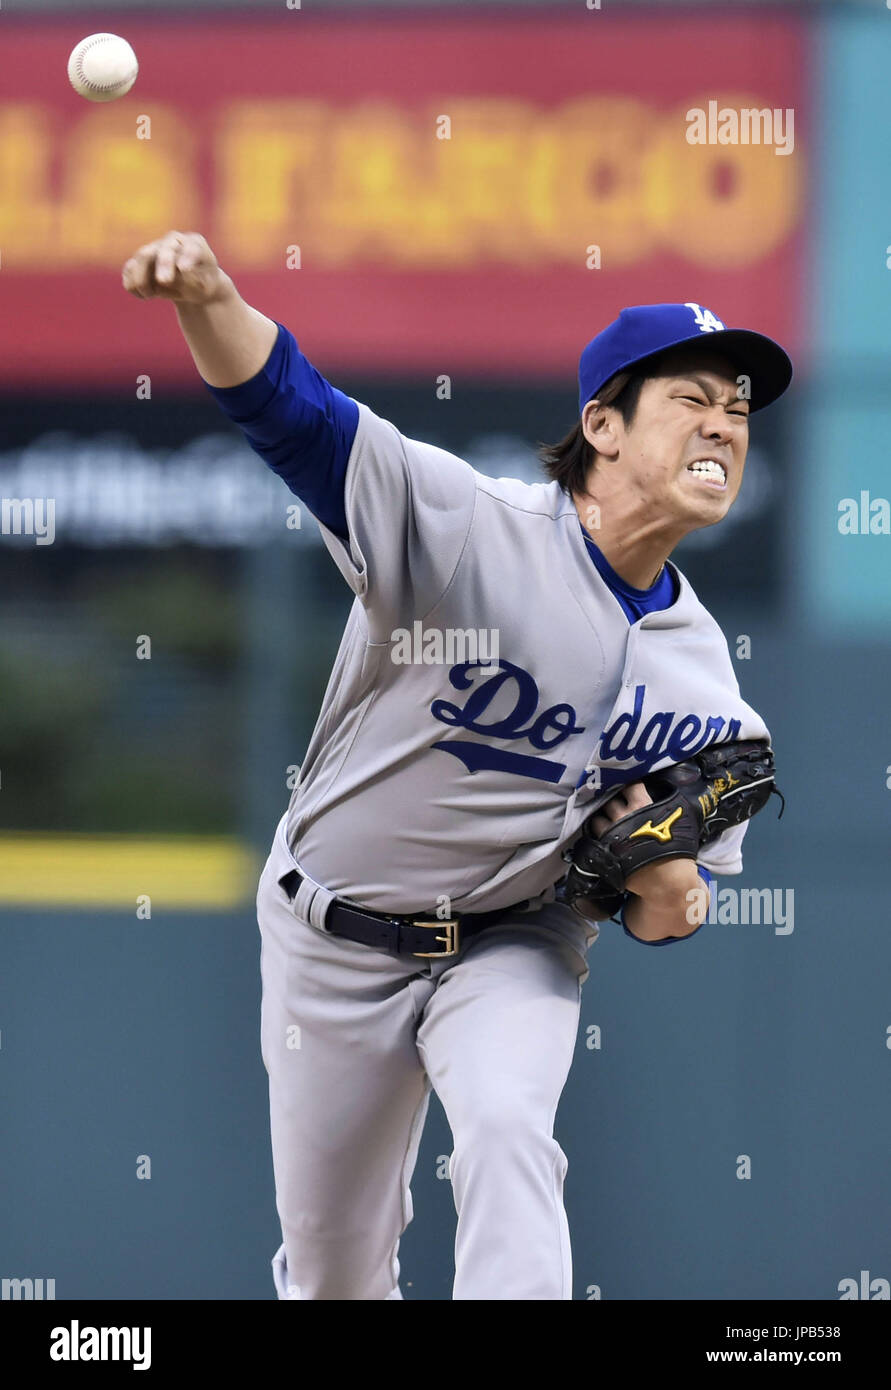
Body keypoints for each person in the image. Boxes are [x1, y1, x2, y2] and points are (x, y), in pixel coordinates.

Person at [122, 233, 792, 1300]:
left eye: (742, 408)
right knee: (337, 1273)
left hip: (513, 938)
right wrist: (208, 299)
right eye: (694, 398)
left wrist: (664, 883)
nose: (725, 422)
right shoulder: (468, 528)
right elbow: (293, 411)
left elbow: (675, 909)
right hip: (331, 931)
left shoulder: (706, 686)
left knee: (508, 1131)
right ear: (603, 426)